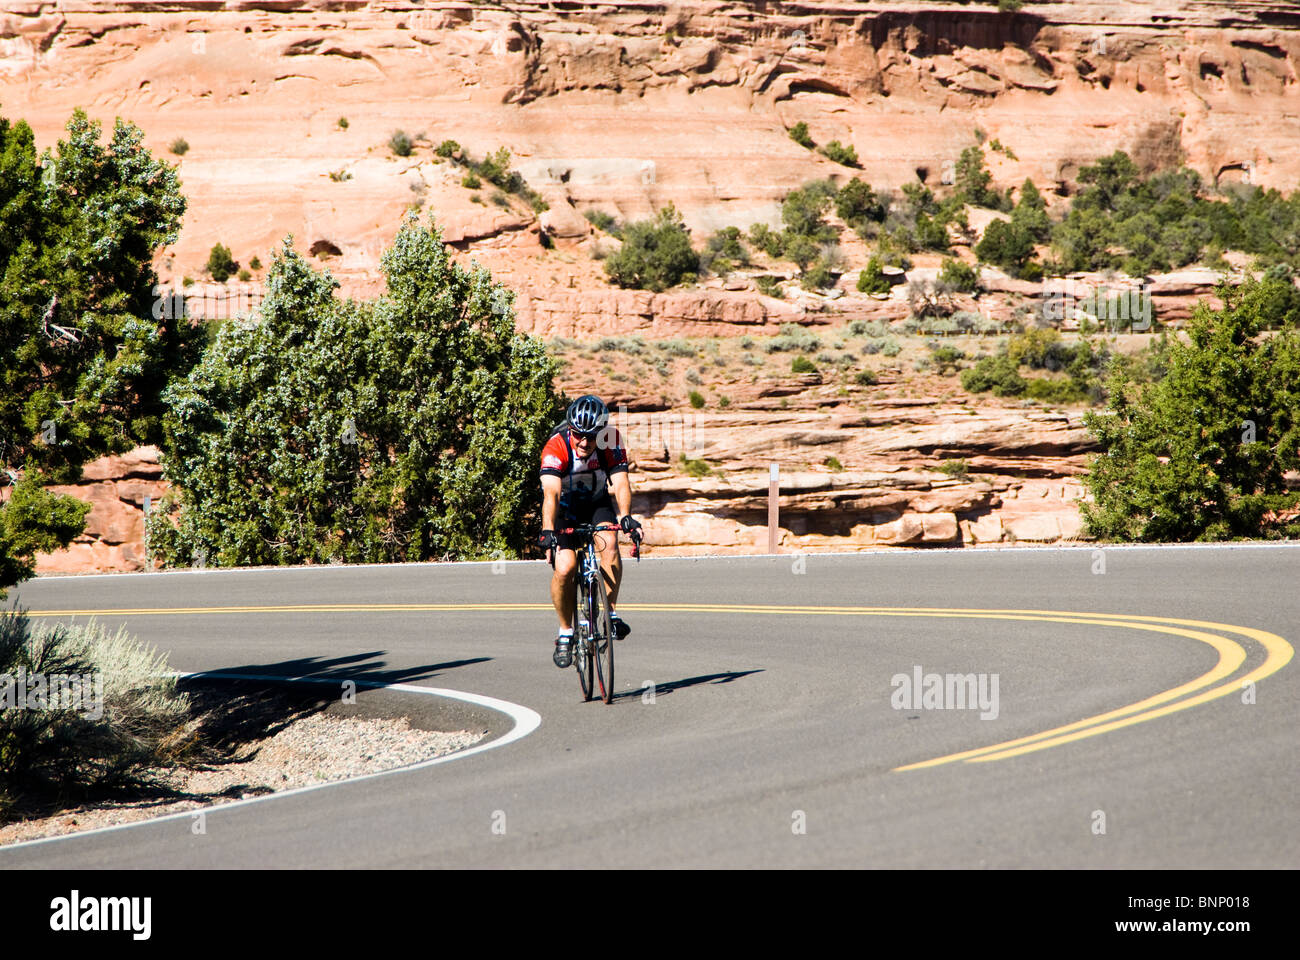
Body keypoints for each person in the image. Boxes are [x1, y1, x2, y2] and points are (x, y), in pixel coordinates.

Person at [538, 395, 642, 668]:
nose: (584, 442)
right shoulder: (556, 446)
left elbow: (620, 484)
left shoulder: (612, 441)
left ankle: (611, 614)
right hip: (564, 510)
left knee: (609, 544)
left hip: (596, 504)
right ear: (570, 429)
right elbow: (550, 493)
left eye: (592, 436)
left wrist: (627, 516)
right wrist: (548, 531)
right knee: (565, 567)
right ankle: (565, 632)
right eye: (578, 435)